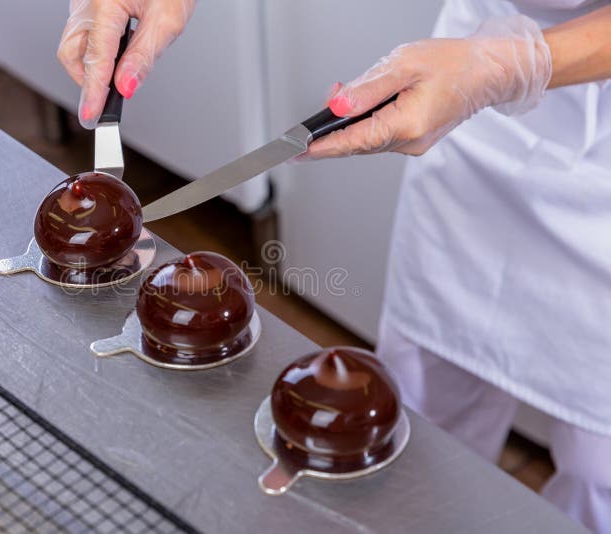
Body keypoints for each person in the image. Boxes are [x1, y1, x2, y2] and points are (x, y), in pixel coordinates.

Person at [58, 1, 611, 531]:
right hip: (467, 84)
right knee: (419, 398)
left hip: (572, 135)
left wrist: (508, 63)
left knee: (597, 470)